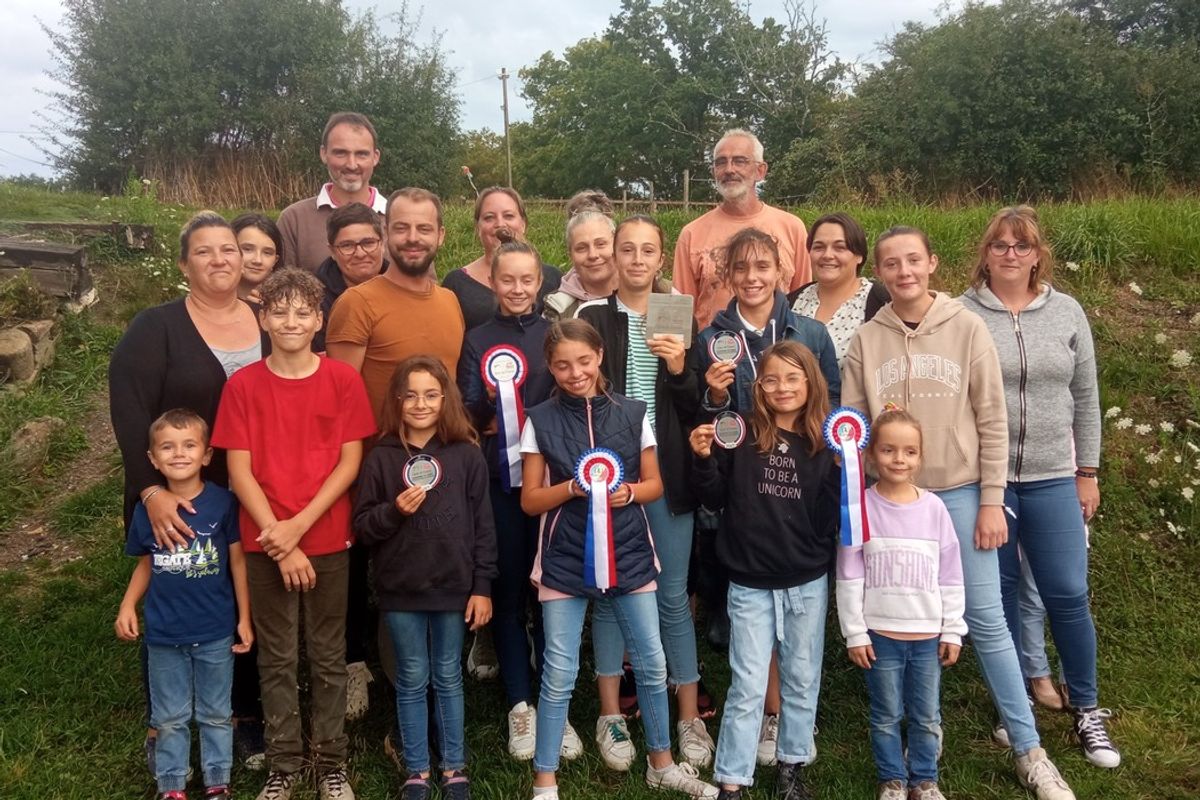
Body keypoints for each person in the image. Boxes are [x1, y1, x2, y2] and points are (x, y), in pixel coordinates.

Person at [841, 226, 1076, 800]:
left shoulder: (967, 327)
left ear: (932, 263)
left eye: (913, 260)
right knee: (892, 613)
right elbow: (852, 429)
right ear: (880, 272)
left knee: (987, 620)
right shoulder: (866, 340)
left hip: (958, 494)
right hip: (889, 501)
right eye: (891, 264)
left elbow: (993, 418)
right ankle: (914, 744)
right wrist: (864, 498)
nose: (903, 272)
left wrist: (992, 499)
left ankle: (1030, 750)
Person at [520, 319, 718, 800]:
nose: (575, 373)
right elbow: (530, 500)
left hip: (630, 552)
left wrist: (628, 492)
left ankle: (661, 763)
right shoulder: (539, 419)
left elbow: (654, 485)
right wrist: (572, 488)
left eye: (584, 361)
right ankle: (545, 781)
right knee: (559, 669)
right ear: (550, 367)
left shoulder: (632, 411)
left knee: (651, 661)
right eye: (563, 365)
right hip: (565, 558)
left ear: (600, 357)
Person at [109, 210, 268, 771]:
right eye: (204, 251)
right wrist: (152, 492)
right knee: (179, 591)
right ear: (183, 264)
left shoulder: (267, 319)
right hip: (176, 494)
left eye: (229, 249)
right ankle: (164, 720)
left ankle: (243, 714)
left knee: (243, 595)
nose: (219, 259)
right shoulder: (155, 328)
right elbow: (130, 412)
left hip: (252, 490)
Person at [960, 206, 1117, 768]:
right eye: (1000, 245)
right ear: (985, 254)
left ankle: (1087, 707)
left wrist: (1087, 471)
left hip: (1053, 476)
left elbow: (1087, 397)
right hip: (987, 480)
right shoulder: (961, 313)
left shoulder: (1067, 311)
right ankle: (1016, 703)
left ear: (1037, 255)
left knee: (1067, 592)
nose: (1010, 254)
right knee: (999, 597)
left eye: (1021, 246)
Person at [213, 268, 376, 800]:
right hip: (264, 542)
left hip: (325, 537)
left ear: (319, 321)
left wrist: (299, 529)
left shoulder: (342, 380)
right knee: (277, 655)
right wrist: (278, 540)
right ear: (263, 318)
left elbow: (349, 463)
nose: (290, 321)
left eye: (302, 312)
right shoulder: (242, 386)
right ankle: (283, 763)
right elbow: (239, 472)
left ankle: (331, 762)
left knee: (328, 655)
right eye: (279, 311)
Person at [693, 226, 840, 766]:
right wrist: (713, 396)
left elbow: (832, 405)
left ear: (782, 271)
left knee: (796, 640)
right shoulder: (711, 336)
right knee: (745, 630)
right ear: (727, 276)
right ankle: (761, 719)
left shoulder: (811, 331)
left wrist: (830, 453)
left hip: (798, 500)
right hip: (742, 491)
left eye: (763, 267)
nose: (752, 278)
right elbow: (705, 413)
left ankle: (787, 726)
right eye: (741, 268)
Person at [577, 216, 712, 770]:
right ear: (613, 255)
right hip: (608, 476)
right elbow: (579, 391)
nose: (636, 259)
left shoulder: (677, 311)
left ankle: (689, 714)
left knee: (672, 595)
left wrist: (679, 367)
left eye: (647, 250)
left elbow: (696, 405)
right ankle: (610, 714)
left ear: (661, 258)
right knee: (611, 592)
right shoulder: (591, 316)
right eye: (627, 249)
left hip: (667, 475)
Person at [355, 356, 498, 800]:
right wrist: (394, 511)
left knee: (449, 675)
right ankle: (417, 769)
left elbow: (484, 526)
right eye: (411, 395)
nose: (421, 404)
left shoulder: (466, 454)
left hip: (453, 587)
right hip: (401, 589)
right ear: (397, 400)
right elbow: (362, 527)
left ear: (445, 399)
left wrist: (482, 586)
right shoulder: (381, 458)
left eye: (431, 395)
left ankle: (454, 767)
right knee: (412, 677)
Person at [456, 240, 573, 760]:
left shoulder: (554, 334)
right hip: (500, 484)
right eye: (508, 280)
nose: (518, 289)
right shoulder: (477, 338)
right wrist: (488, 399)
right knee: (507, 593)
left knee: (548, 590)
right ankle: (520, 705)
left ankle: (554, 703)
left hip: (551, 482)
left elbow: (571, 398)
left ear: (541, 282)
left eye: (528, 280)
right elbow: (466, 413)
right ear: (493, 282)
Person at [115, 408, 254, 800]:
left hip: (214, 630)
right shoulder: (147, 510)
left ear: (207, 455)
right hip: (164, 633)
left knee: (216, 712)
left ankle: (217, 781)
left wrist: (244, 618)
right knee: (169, 716)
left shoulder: (224, 503)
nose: (179, 454)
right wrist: (127, 606)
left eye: (189, 445)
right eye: (167, 447)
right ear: (152, 458)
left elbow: (238, 563)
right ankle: (172, 784)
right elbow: (146, 565)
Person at [836, 406, 967, 800]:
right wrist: (855, 633)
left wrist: (953, 629)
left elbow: (951, 574)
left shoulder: (934, 509)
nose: (899, 459)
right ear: (871, 454)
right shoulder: (859, 507)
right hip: (880, 637)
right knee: (886, 715)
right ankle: (892, 779)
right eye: (889, 450)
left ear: (920, 457)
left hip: (927, 637)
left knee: (926, 716)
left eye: (910, 451)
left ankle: (924, 780)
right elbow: (849, 573)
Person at [326, 187, 465, 423]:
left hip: (444, 444)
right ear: (386, 233)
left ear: (440, 235)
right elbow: (340, 402)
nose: (413, 238)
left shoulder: (450, 301)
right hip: (382, 445)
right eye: (401, 228)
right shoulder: (356, 303)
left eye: (424, 229)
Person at [673, 129, 812, 329]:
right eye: (721, 162)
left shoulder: (793, 229)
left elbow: (803, 305)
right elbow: (681, 315)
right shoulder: (691, 234)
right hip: (712, 347)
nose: (729, 169)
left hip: (779, 346)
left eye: (740, 161)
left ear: (760, 171)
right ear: (713, 172)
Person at [277, 112, 388, 272]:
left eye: (361, 154)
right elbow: (279, 283)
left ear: (375, 157)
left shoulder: (399, 220)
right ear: (324, 154)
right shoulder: (294, 220)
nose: (351, 165)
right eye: (341, 153)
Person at [442, 187, 562, 330]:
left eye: (509, 216)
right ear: (477, 227)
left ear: (523, 224)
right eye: (489, 218)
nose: (500, 224)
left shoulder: (553, 278)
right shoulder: (456, 284)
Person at [788, 212, 890, 361]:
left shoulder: (882, 303)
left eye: (839, 247)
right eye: (819, 247)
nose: (827, 255)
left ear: (859, 255)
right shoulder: (792, 302)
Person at [313, 202, 388, 353]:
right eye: (347, 245)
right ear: (332, 251)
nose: (360, 253)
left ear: (382, 244)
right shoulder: (312, 300)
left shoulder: (403, 288)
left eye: (368, 243)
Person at [542, 190, 619, 322]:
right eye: (581, 248)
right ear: (570, 254)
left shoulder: (647, 291)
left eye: (600, 244)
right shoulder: (557, 310)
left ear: (617, 244)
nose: (593, 255)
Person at [233, 213, 283, 304]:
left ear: (275, 260)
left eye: (267, 253)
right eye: (248, 249)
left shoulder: (287, 304)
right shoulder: (210, 300)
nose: (257, 260)